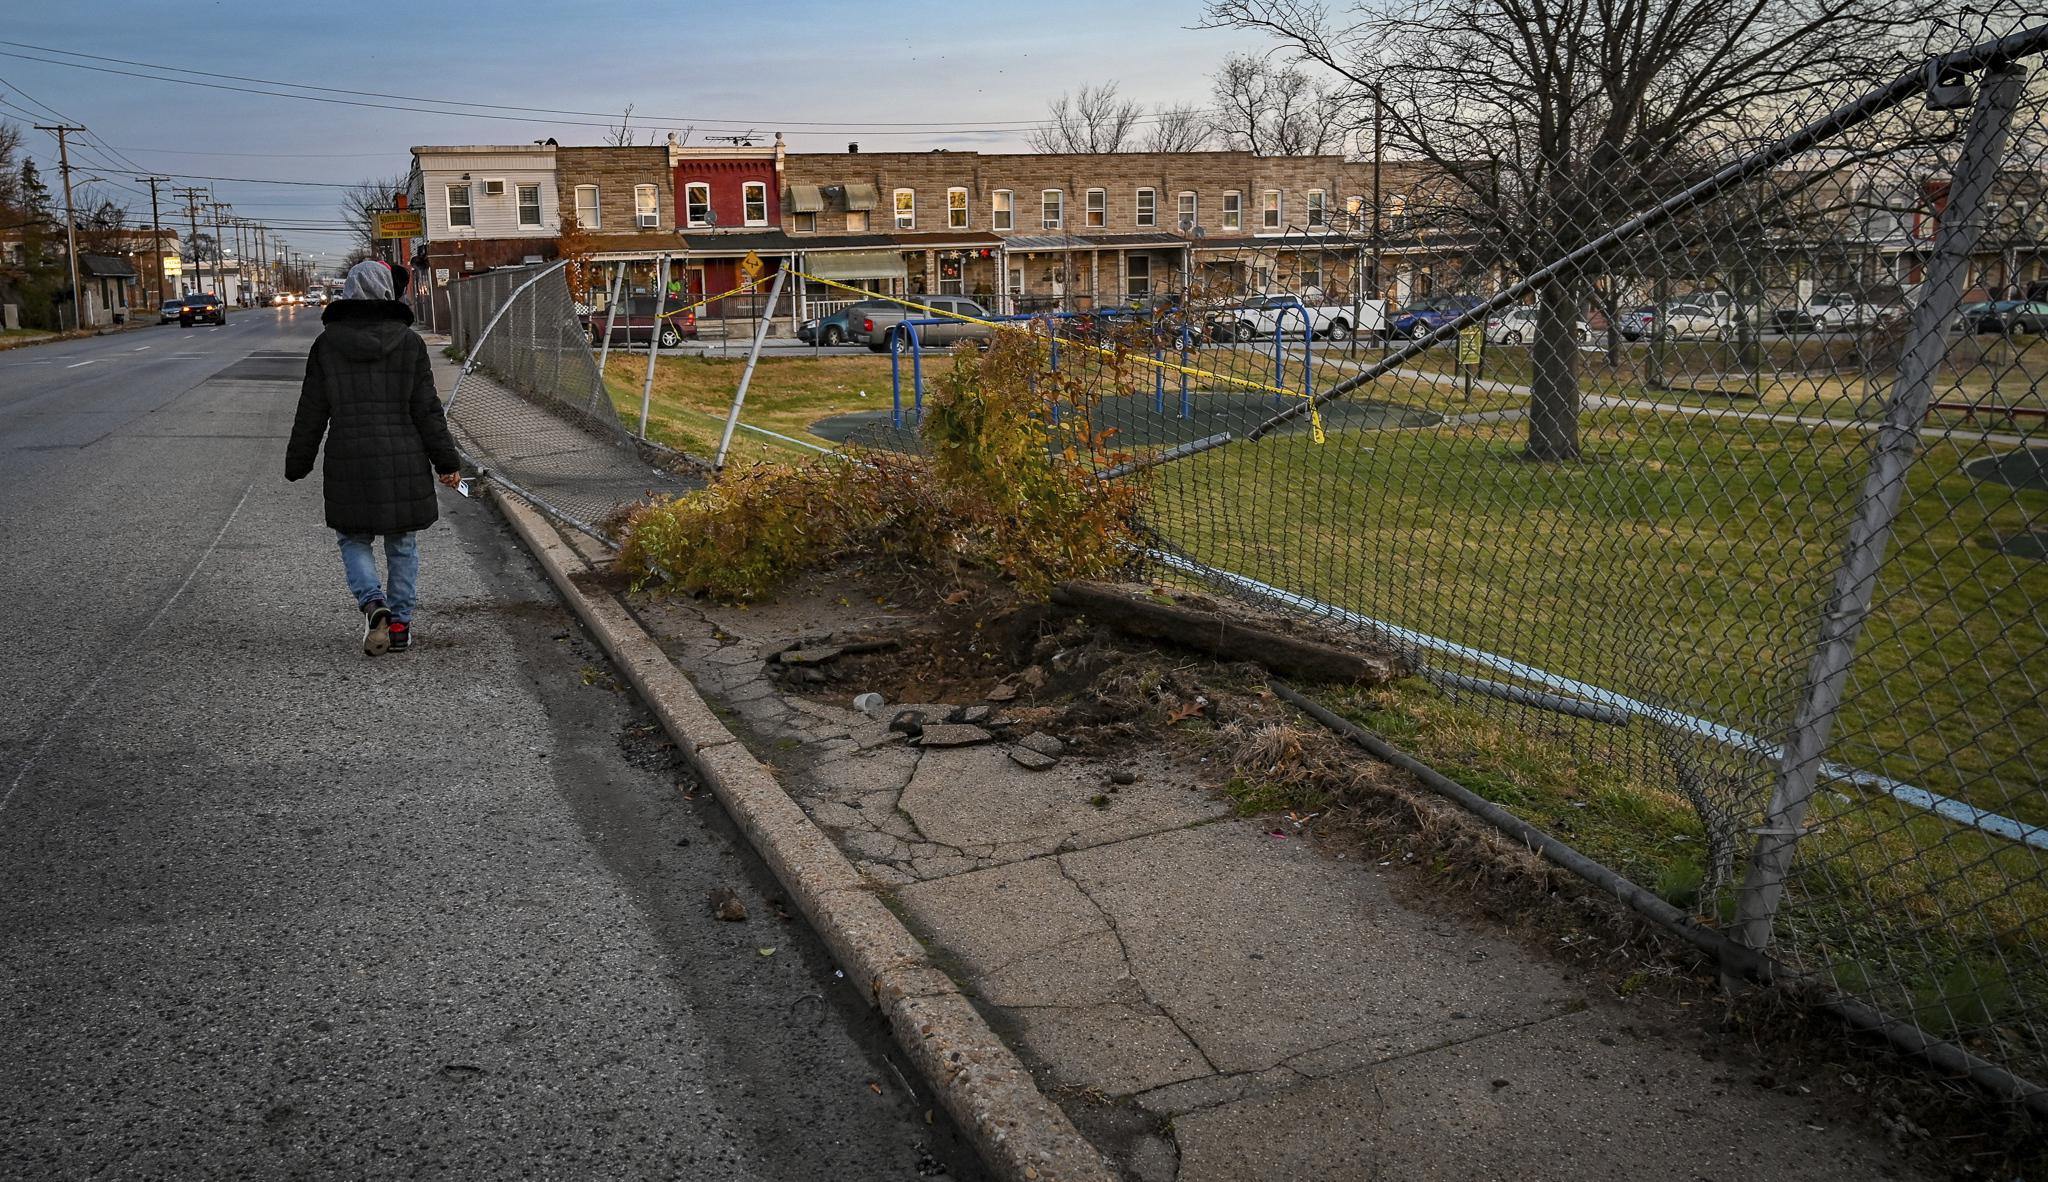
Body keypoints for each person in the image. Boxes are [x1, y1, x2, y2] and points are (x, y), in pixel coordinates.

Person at [285, 259, 462, 655]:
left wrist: (298, 461)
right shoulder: (409, 342)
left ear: (348, 293)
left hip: (349, 455)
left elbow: (311, 409)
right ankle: (399, 625)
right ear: (387, 292)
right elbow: (426, 409)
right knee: (401, 544)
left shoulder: (327, 344)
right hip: (403, 454)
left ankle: (372, 603)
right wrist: (446, 462)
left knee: (353, 537)